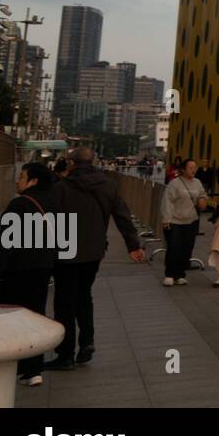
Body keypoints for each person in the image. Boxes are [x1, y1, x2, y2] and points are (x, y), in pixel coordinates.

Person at [43, 148, 146, 371]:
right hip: (94, 252)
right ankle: (87, 342)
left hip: (65, 253)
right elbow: (123, 215)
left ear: (71, 163)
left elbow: (48, 222)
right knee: (84, 296)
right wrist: (133, 246)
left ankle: (66, 354)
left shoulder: (61, 188)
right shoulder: (108, 185)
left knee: (64, 303)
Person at [0, 162, 57, 386]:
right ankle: (33, 370)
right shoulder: (53, 202)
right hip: (42, 268)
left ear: (33, 181)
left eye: (22, 176)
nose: (18, 180)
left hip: (16, 270)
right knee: (34, 316)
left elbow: (6, 242)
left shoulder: (19, 204)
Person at [161, 158, 207, 285]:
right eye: (190, 167)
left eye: (195, 167)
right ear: (183, 169)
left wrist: (203, 200)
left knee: (187, 248)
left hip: (191, 221)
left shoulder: (197, 182)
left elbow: (202, 194)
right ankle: (170, 274)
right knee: (174, 248)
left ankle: (180, 274)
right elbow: (167, 202)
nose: (194, 170)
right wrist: (167, 219)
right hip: (175, 221)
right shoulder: (174, 183)